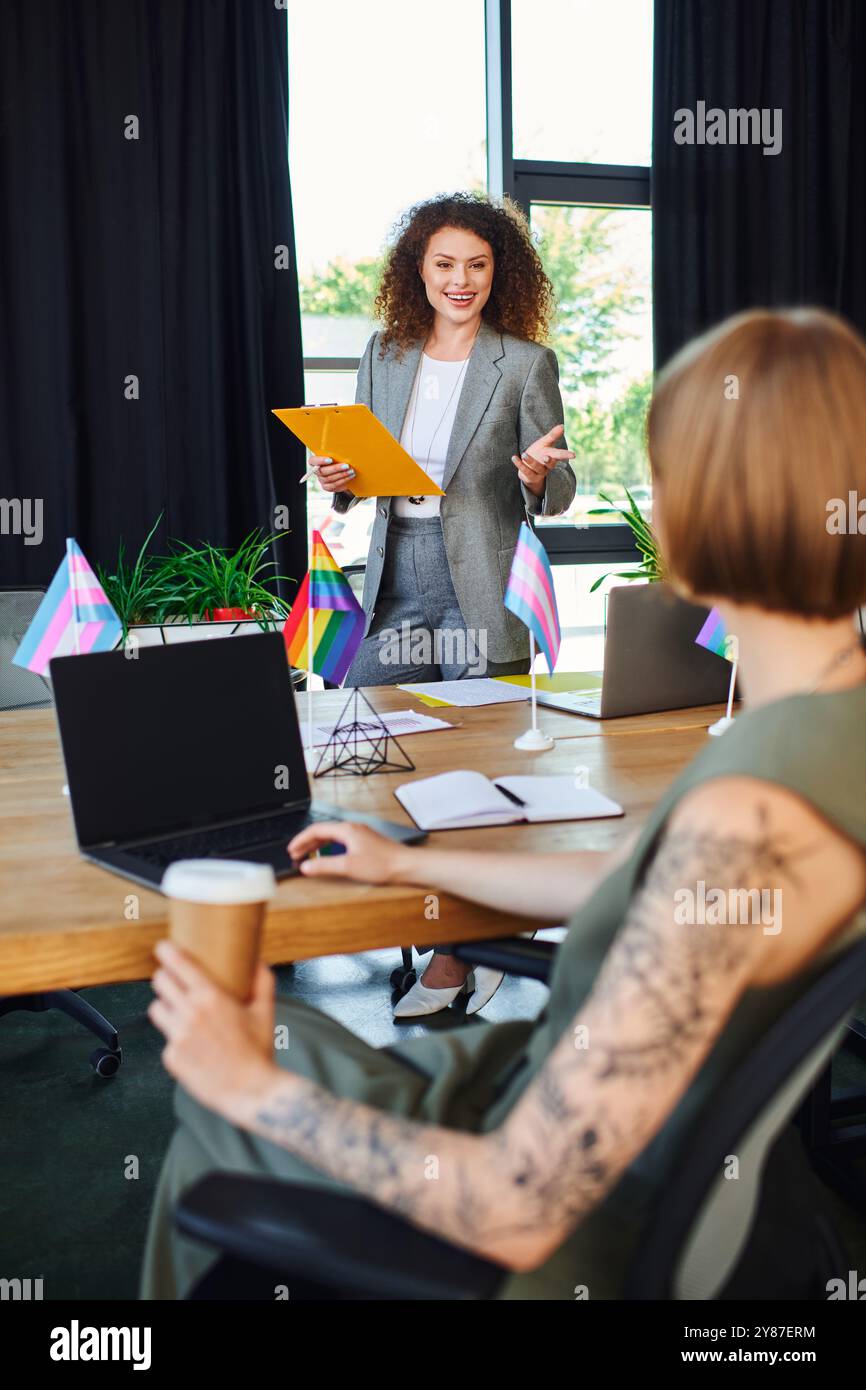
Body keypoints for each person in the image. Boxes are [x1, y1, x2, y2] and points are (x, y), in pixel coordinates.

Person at [143, 307, 866, 1301]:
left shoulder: (752, 811)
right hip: (595, 1113)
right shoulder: (825, 732)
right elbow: (643, 877)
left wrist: (245, 1084)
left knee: (220, 1100)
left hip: (560, 1216)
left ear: (703, 516)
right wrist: (409, 862)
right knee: (279, 1044)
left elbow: (520, 1204)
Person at [309, 191, 576, 689]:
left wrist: (540, 478)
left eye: (477, 265)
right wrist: (337, 477)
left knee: (485, 737)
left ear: (498, 272)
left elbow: (558, 485)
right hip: (394, 580)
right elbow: (359, 462)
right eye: (445, 264)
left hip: (483, 587)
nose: (461, 280)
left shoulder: (525, 363)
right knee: (365, 718)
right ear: (421, 270)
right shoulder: (383, 353)